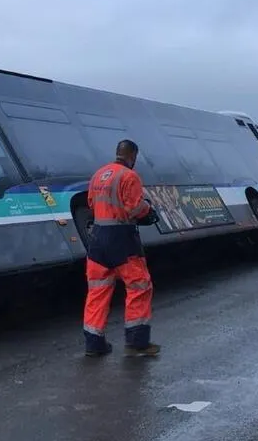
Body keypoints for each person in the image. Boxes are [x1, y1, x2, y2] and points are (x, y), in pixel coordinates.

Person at [82, 139, 161, 357]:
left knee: (97, 290)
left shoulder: (99, 174)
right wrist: (149, 209)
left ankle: (94, 344)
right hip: (122, 239)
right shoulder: (129, 176)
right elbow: (135, 208)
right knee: (139, 286)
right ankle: (137, 342)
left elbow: (91, 204)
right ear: (132, 156)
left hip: (97, 239)